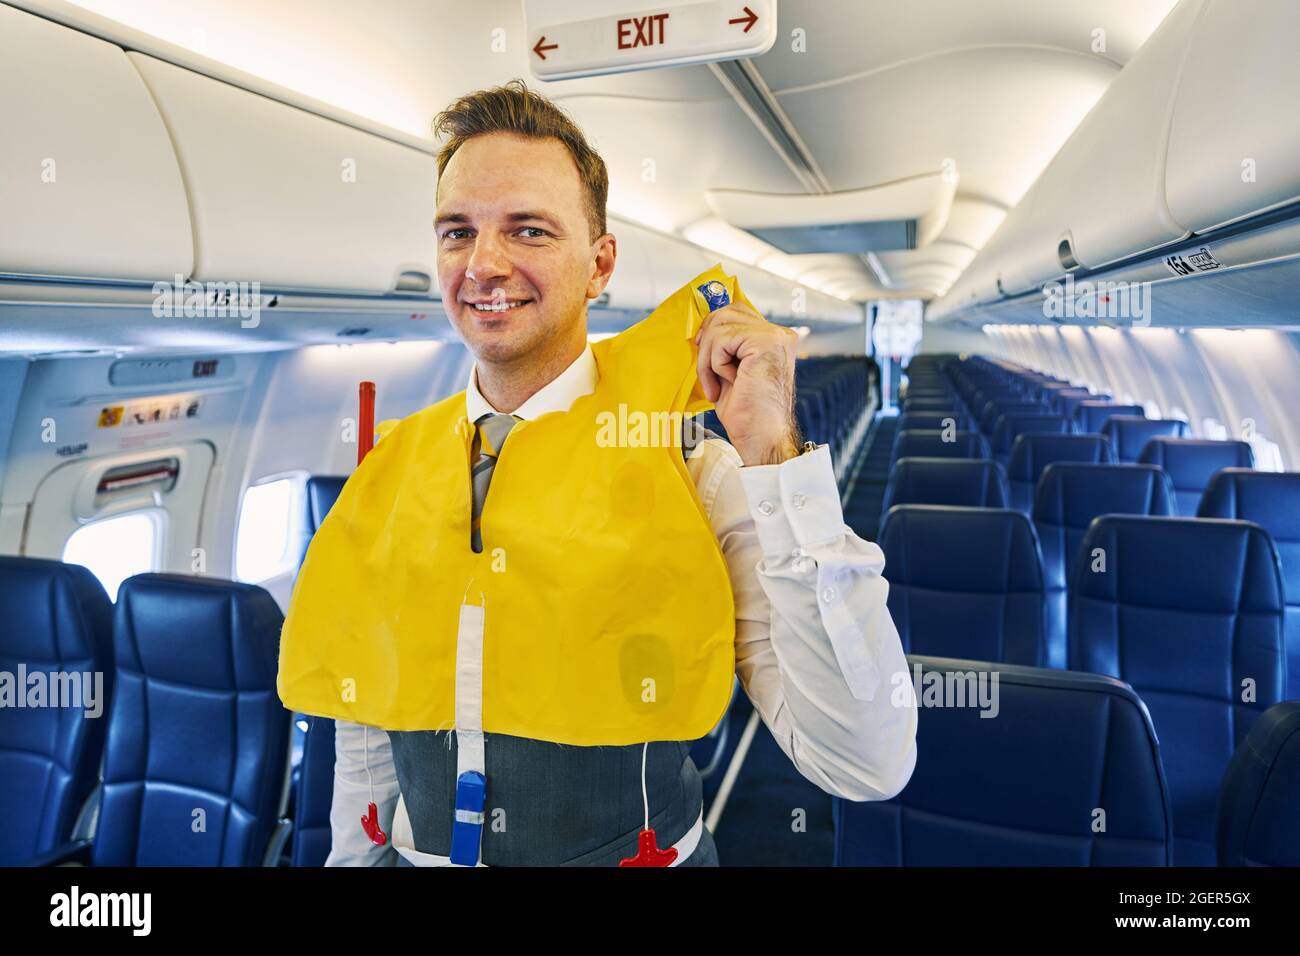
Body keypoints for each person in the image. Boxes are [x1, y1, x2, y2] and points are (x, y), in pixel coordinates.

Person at [288, 79, 916, 867]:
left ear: (600, 263)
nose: (483, 263)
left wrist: (775, 454)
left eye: (528, 231)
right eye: (457, 232)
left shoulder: (691, 470)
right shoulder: (386, 476)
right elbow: (366, 740)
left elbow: (866, 760)